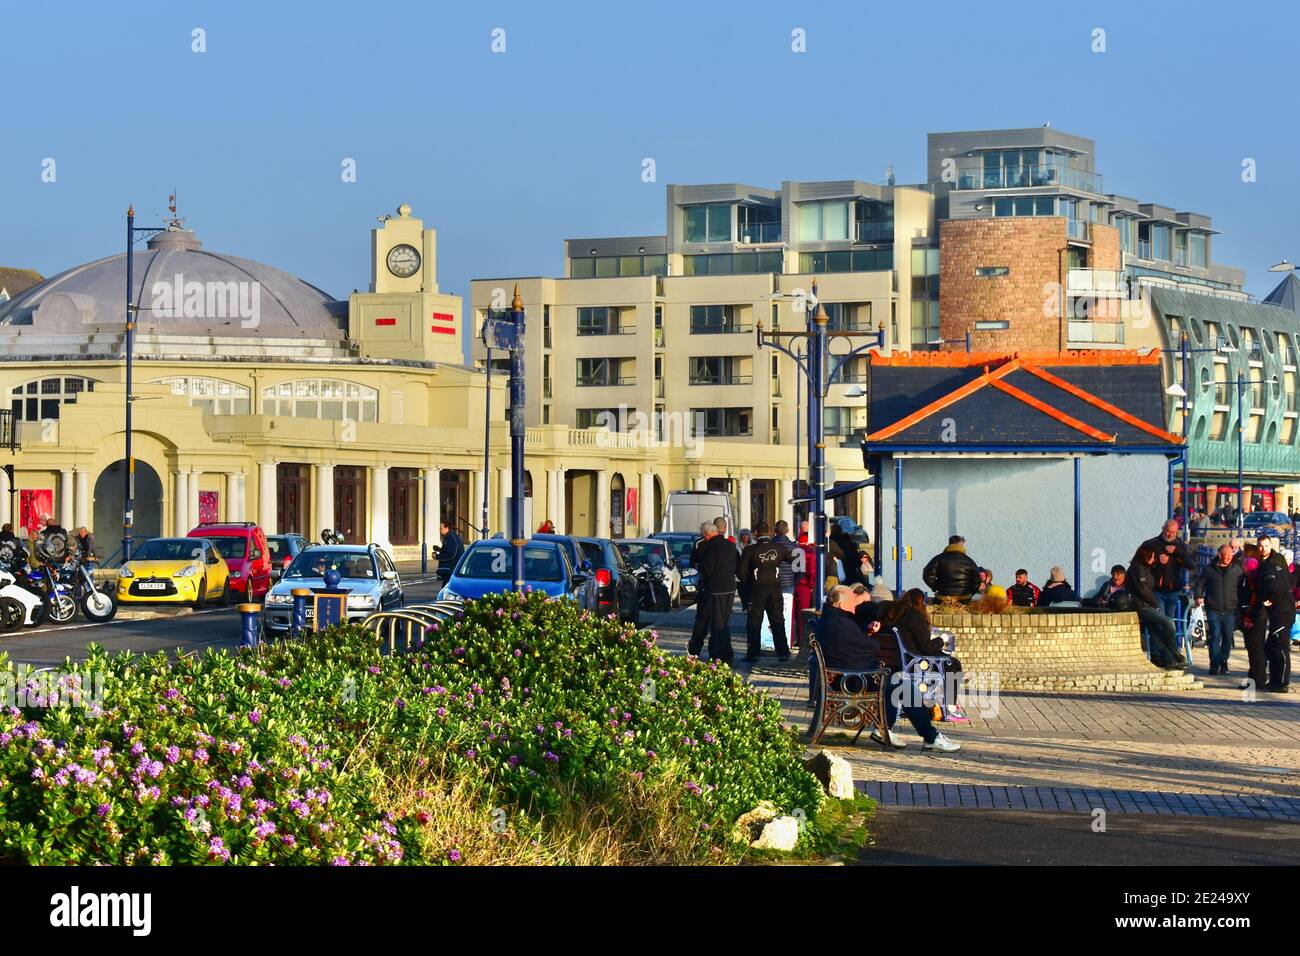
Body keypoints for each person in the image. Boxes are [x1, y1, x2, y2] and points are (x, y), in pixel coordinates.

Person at [878, 590, 963, 750]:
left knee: (901, 687)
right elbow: (926, 647)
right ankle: (950, 706)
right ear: (921, 602)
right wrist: (941, 640)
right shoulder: (915, 617)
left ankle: (928, 735)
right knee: (953, 664)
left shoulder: (896, 615)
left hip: (897, 664)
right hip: (915, 662)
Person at [1244, 534, 1294, 694]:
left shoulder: (1275, 562)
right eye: (1260, 546)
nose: (1262, 549)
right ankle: (1273, 680)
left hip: (1282, 610)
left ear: (1270, 545)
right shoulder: (1260, 561)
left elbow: (1282, 583)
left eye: (1265, 546)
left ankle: (1281, 683)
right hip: (1275, 611)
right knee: (1271, 646)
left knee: (1280, 647)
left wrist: (1268, 598)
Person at [737, 523, 793, 663]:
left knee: (755, 622)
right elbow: (794, 559)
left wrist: (748, 583)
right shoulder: (779, 549)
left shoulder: (750, 550)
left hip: (757, 589)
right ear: (769, 532)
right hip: (775, 589)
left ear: (755, 533)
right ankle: (783, 652)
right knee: (778, 620)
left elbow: (740, 572)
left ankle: (753, 653)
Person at [1127, 545, 1185, 669]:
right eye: (1152, 557)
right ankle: (1173, 650)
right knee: (1168, 622)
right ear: (1146, 557)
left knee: (1157, 634)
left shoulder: (1144, 568)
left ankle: (1169, 660)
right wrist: (1155, 604)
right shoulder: (1138, 569)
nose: (1154, 560)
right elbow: (1143, 591)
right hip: (1142, 606)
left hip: (1146, 605)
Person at [1195, 544, 1244, 676]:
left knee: (1228, 637)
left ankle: (1224, 661)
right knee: (1215, 636)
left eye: (1230, 556)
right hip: (1213, 608)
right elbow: (1200, 584)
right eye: (1225, 556)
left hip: (1231, 609)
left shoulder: (1237, 570)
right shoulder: (1209, 569)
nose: (1227, 559)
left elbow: (1243, 587)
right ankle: (1214, 664)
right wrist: (1198, 596)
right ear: (1219, 555)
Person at [696, 521, 739, 665]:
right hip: (730, 588)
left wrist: (701, 565)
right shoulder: (730, 545)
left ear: (707, 534)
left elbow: (708, 569)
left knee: (716, 623)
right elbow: (737, 565)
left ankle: (718, 654)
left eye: (704, 535)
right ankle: (727, 652)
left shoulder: (709, 547)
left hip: (716, 589)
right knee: (724, 621)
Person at [1142, 520, 1193, 626]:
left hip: (1172, 590)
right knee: (1160, 620)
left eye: (1173, 532)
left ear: (1177, 532)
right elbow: (1140, 563)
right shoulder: (1151, 544)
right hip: (1156, 590)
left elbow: (1190, 565)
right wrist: (1156, 559)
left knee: (1169, 621)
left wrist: (1176, 551)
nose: (1169, 534)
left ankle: (1168, 642)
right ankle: (1160, 642)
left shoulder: (1180, 546)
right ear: (1162, 529)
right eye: (1167, 531)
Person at [688, 523, 718, 658]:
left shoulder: (702, 544)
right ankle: (713, 649)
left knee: (702, 619)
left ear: (705, 534)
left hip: (706, 585)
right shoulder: (726, 544)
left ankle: (695, 648)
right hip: (721, 588)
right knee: (717, 620)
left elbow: (694, 562)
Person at [921, 534, 980, 600]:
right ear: (960, 544)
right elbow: (977, 581)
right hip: (963, 601)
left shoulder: (938, 558)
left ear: (949, 544)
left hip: (942, 600)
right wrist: (970, 593)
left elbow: (927, 575)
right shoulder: (969, 561)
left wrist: (936, 586)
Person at [791, 536, 817, 649]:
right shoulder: (809, 552)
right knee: (803, 614)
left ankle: (791, 639)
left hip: (792, 584)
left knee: (792, 614)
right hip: (804, 586)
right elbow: (812, 569)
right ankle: (801, 639)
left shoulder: (793, 549)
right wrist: (811, 585)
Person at [772, 520, 797, 595]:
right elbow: (799, 568)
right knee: (787, 606)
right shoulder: (793, 546)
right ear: (787, 531)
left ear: (775, 530)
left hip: (773, 582)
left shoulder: (770, 545)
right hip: (788, 581)